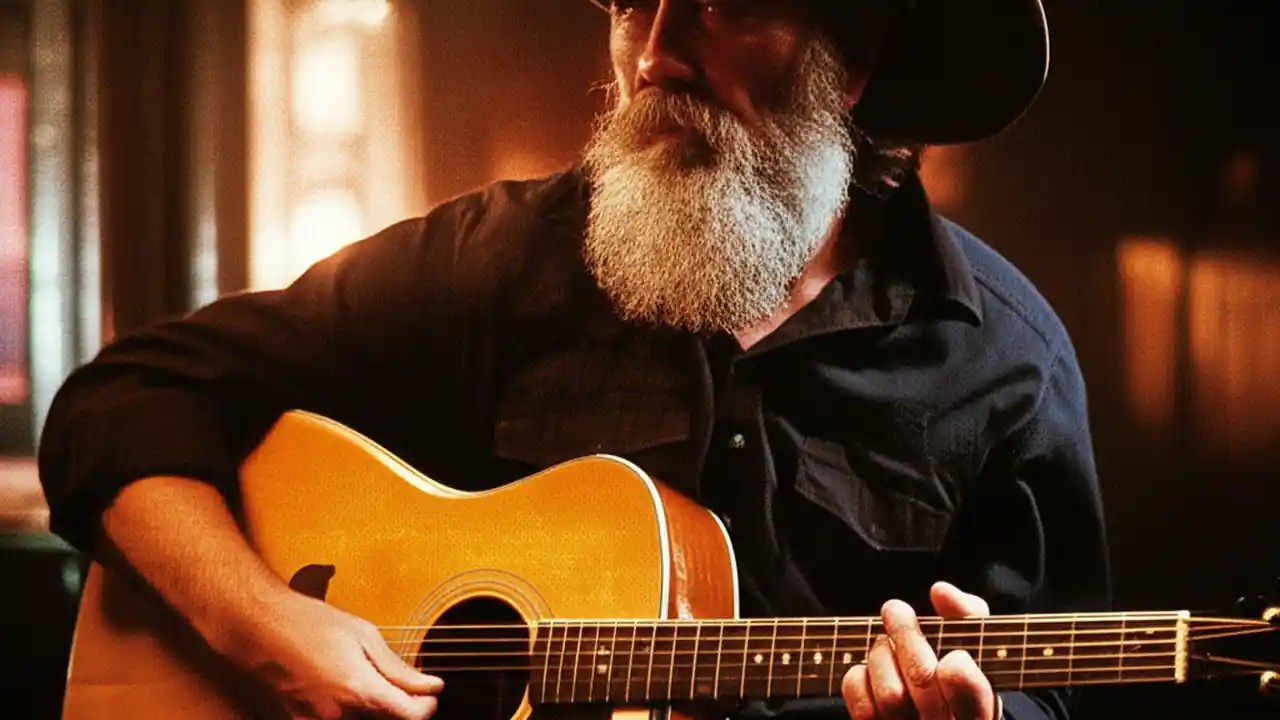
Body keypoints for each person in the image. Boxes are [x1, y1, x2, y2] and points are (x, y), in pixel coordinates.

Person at [38, 0, 1110, 718]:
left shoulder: (1005, 365)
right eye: (629, 2)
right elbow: (118, 401)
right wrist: (262, 623)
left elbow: (1047, 689)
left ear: (853, 52)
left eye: (719, 3)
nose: (651, 55)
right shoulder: (498, 264)